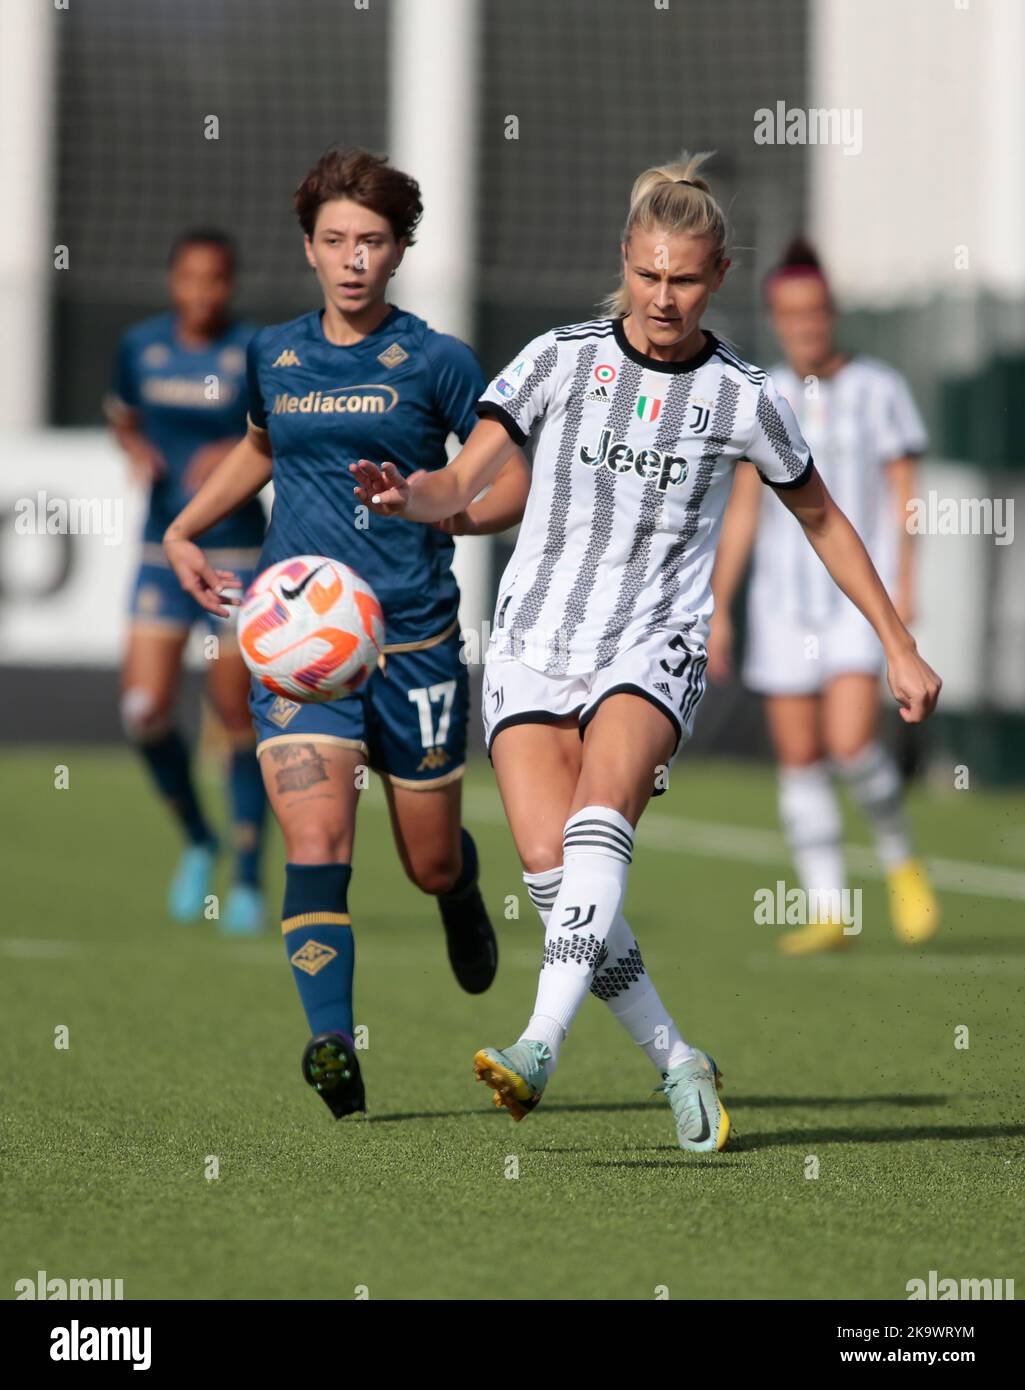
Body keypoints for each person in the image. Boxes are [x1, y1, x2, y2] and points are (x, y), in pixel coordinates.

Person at [351, 153, 941, 1154]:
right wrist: (411, 496)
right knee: (552, 874)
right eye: (648, 273)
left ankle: (537, 1042)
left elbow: (826, 521)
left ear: (715, 279)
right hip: (536, 637)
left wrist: (897, 641)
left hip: (654, 640)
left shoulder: (744, 398)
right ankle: (676, 1058)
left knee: (597, 816)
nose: (662, 296)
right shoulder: (554, 359)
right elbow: (462, 484)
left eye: (683, 279)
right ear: (624, 256)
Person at [162, 148, 530, 1118]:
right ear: (309, 247)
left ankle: (458, 894)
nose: (352, 259)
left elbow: (511, 479)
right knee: (318, 837)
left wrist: (446, 514)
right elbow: (259, 445)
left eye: (371, 241)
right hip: (301, 653)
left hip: (412, 644)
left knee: (427, 859)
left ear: (400, 248)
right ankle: (331, 1042)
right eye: (334, 241)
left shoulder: (440, 361)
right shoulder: (273, 354)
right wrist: (187, 527)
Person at [708, 237, 941, 955]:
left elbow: (905, 494)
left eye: (814, 312)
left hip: (852, 601)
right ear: (777, 317)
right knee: (800, 756)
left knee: (849, 744)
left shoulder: (880, 388)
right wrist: (719, 606)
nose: (804, 326)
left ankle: (900, 859)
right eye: (789, 314)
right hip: (782, 603)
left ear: (831, 312)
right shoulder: (764, 393)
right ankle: (828, 907)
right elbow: (744, 507)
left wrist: (904, 584)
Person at [106, 229, 268, 935]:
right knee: (143, 710)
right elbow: (123, 417)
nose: (203, 293)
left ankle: (249, 878)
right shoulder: (140, 346)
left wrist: (231, 452)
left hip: (236, 553)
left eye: (216, 280)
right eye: (191, 279)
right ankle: (199, 841)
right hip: (161, 551)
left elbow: (273, 433)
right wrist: (137, 449)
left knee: (235, 714)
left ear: (230, 284)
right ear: (173, 282)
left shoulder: (254, 352)